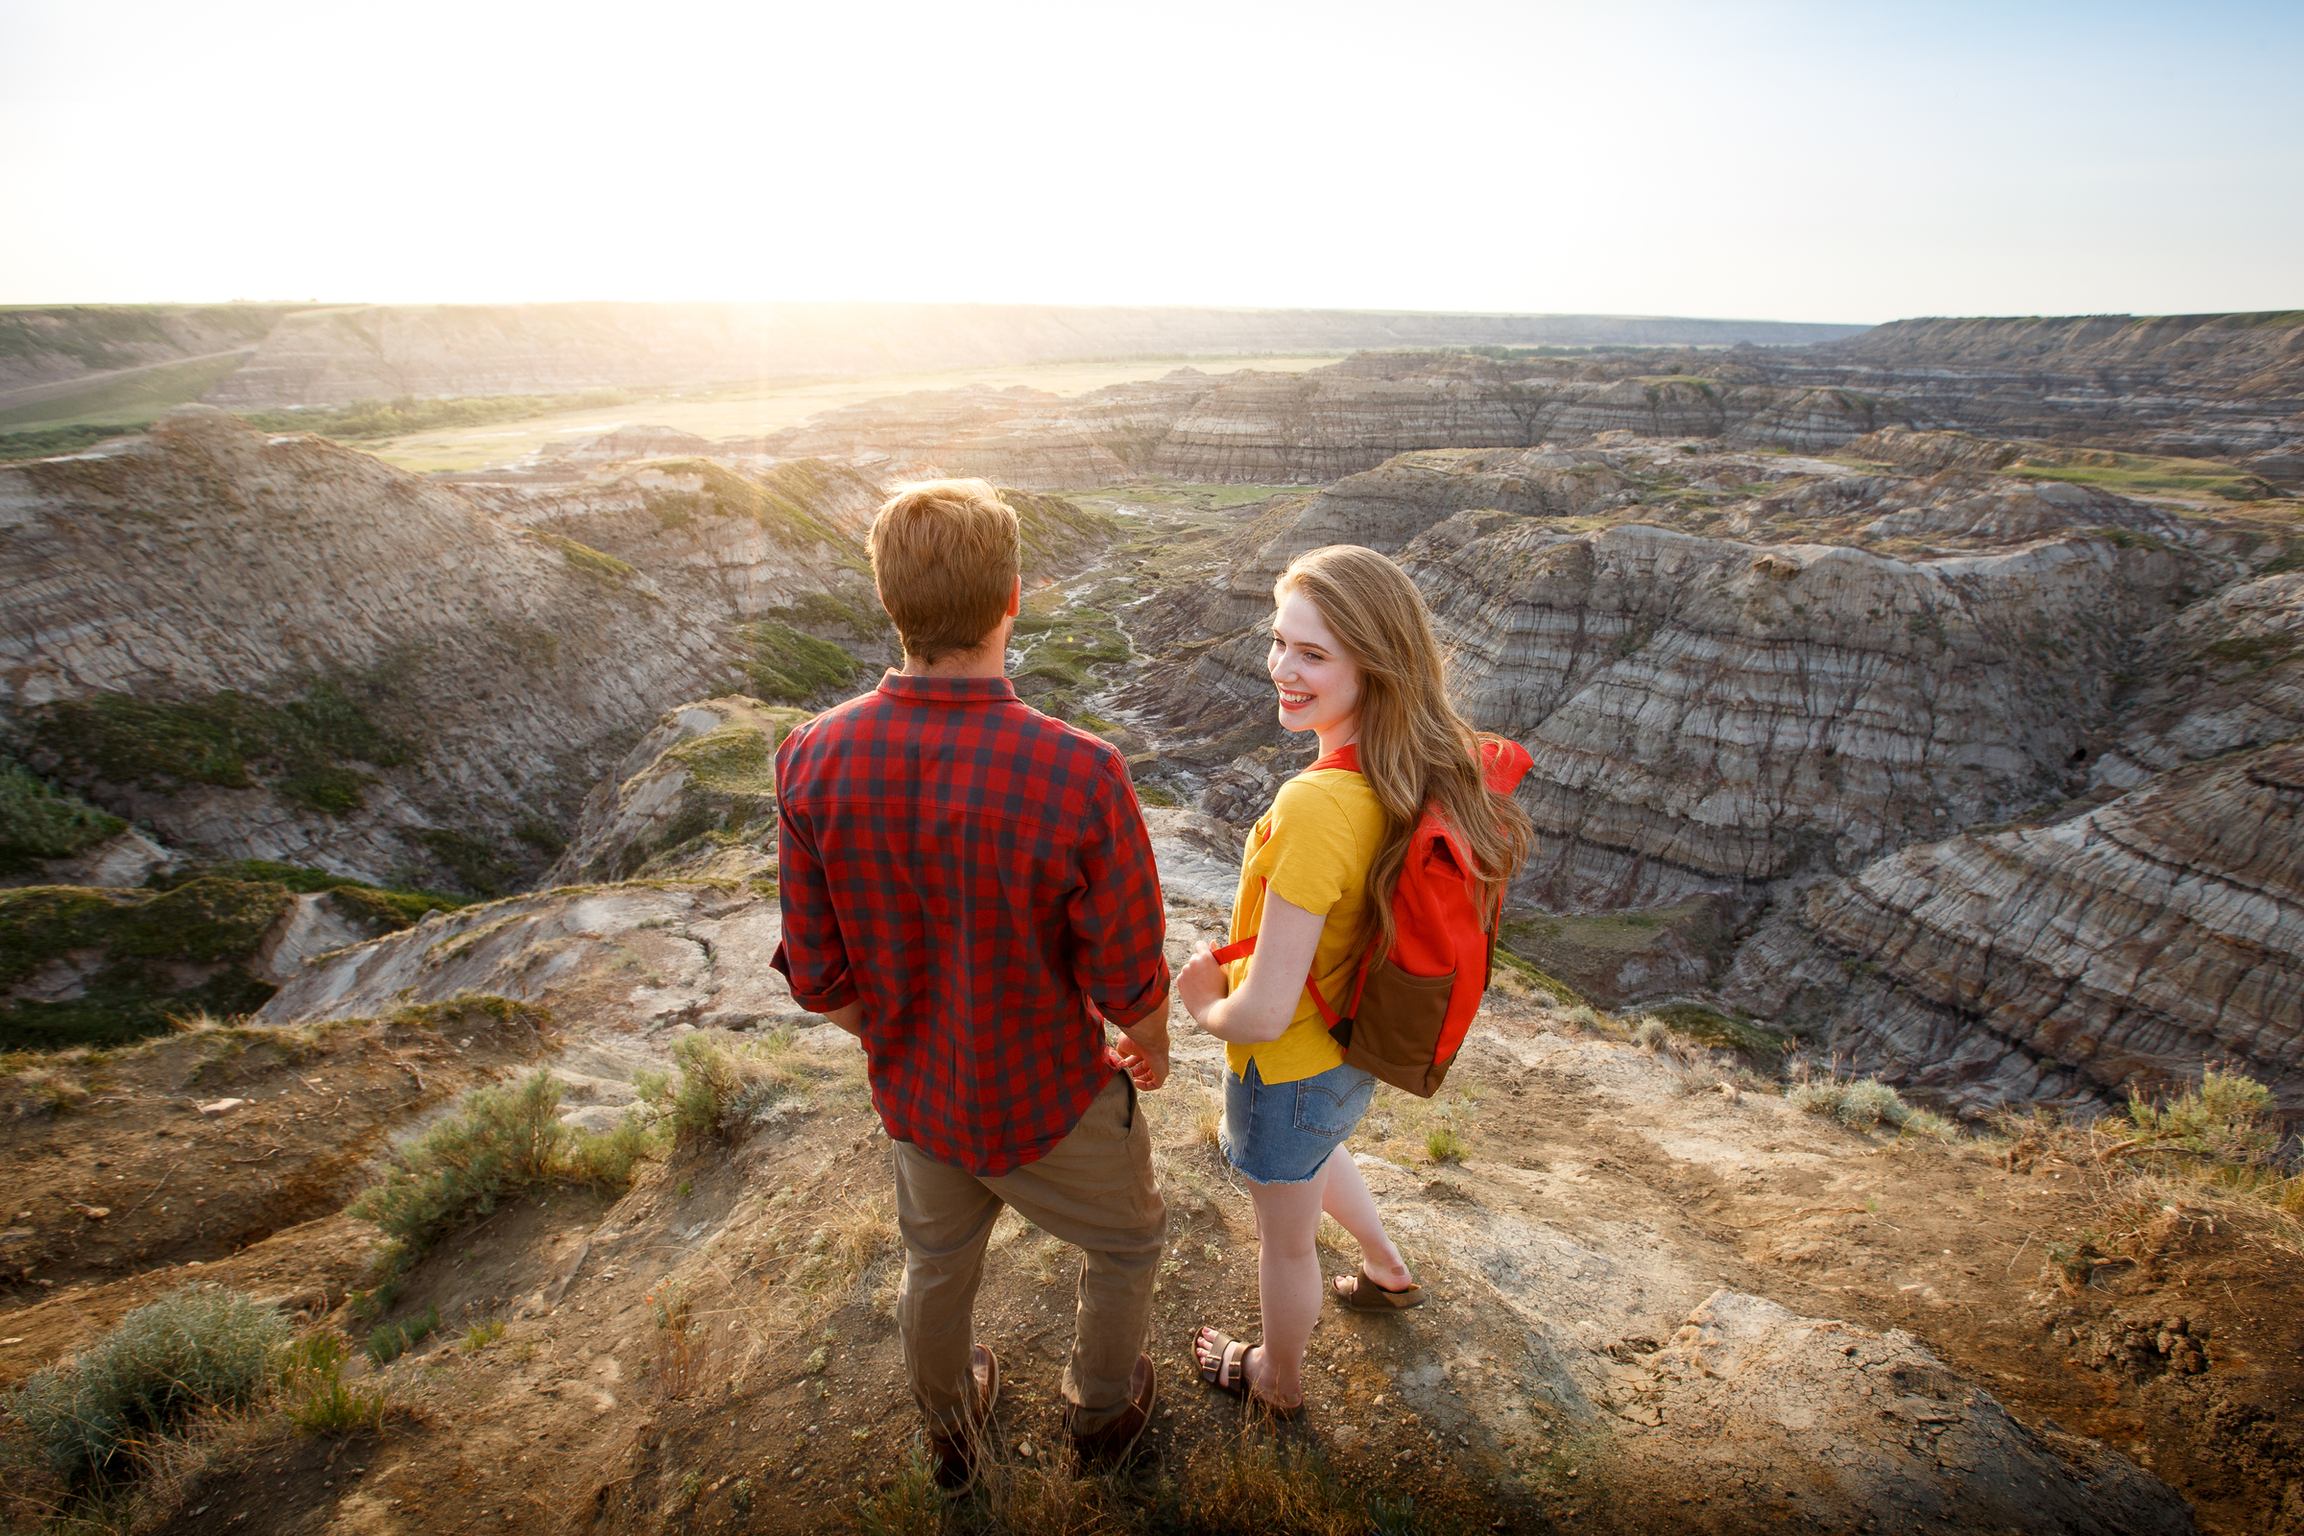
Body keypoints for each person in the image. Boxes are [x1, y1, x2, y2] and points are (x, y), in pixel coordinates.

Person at [770, 479, 1173, 1490]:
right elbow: (1128, 974)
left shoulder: (811, 758)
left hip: (922, 1100)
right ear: (1014, 599)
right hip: (1056, 1092)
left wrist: (898, 1036)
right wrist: (1153, 1050)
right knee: (1127, 1247)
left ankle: (950, 1436)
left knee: (937, 1266)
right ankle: (1099, 1413)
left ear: (889, 603)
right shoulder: (1082, 772)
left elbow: (818, 977)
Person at [1175, 543, 1533, 1415]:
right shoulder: (1416, 764)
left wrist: (1199, 1005)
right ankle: (1385, 1266)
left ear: (1374, 665)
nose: (1281, 670)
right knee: (1316, 1153)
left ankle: (1277, 1380)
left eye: (1313, 653)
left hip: (1285, 1069)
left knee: (1285, 1245)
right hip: (1349, 1051)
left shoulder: (1318, 804)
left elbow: (1260, 1013)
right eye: (1279, 641)